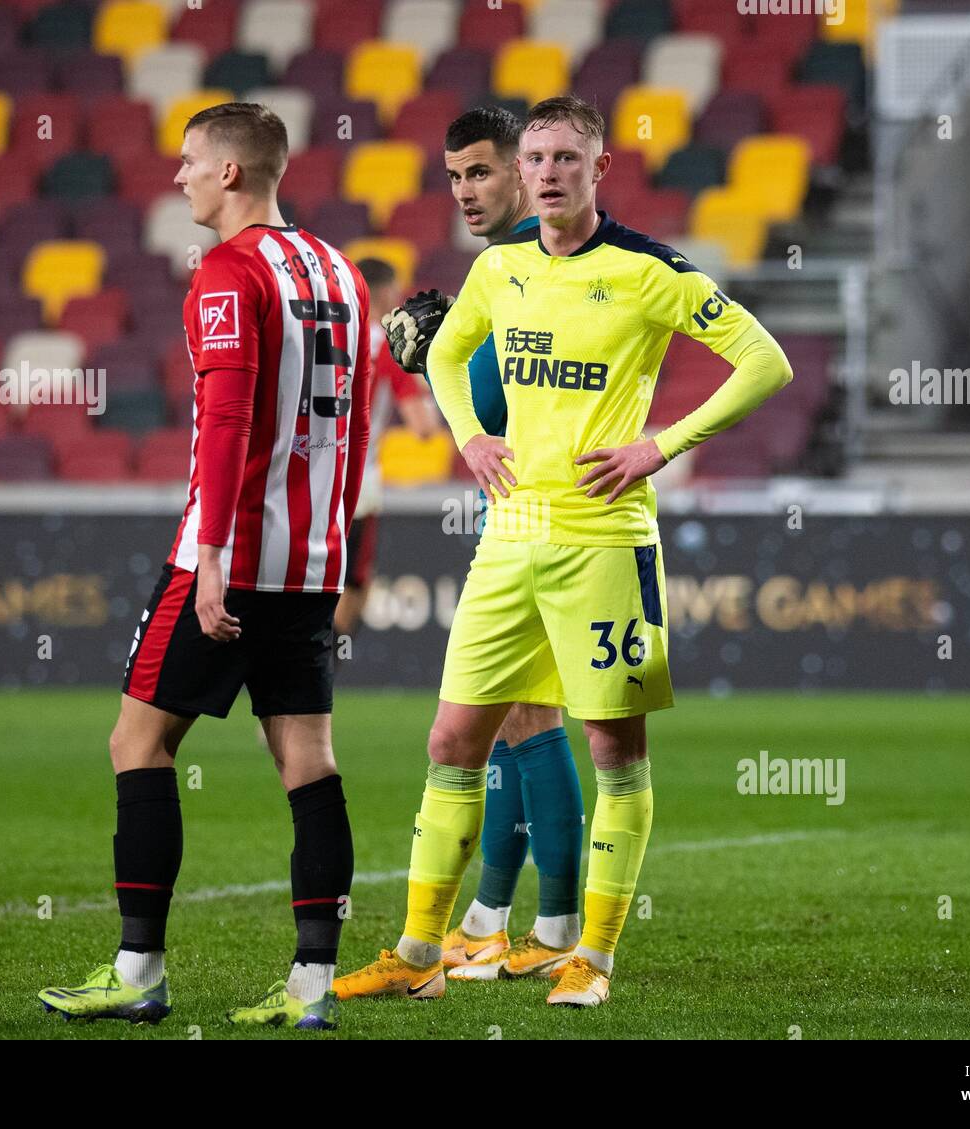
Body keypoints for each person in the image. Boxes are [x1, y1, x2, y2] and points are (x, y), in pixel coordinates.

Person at [335, 95, 792, 1007]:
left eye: (563, 159)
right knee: (453, 738)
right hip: (507, 540)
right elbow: (444, 352)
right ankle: (421, 948)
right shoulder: (498, 266)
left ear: (597, 168)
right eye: (535, 159)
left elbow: (765, 362)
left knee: (614, 750)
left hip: (603, 541)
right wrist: (467, 435)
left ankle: (591, 954)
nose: (545, 174)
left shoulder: (649, 270)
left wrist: (659, 445)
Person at [37, 102, 373, 1031]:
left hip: (225, 558)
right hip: (310, 559)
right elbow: (357, 429)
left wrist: (215, 557)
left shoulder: (227, 273)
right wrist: (331, 549)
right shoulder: (341, 272)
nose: (178, 176)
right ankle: (312, 990)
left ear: (231, 174)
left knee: (137, 745)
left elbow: (225, 425)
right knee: (309, 762)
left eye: (189, 163)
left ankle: (138, 970)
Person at [385, 107, 587, 982]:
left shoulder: (535, 268)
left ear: (524, 171)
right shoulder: (499, 268)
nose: (465, 190)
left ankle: (554, 927)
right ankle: (492, 916)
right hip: (520, 515)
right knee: (508, 720)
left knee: (528, 719)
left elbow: (503, 408)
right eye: (453, 174)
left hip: (559, 519)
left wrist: (442, 359)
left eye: (480, 171)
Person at [336, 257, 440, 644]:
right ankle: (322, 671)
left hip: (306, 477)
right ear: (382, 294)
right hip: (357, 483)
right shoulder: (388, 346)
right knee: (356, 583)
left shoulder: (320, 334)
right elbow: (424, 427)